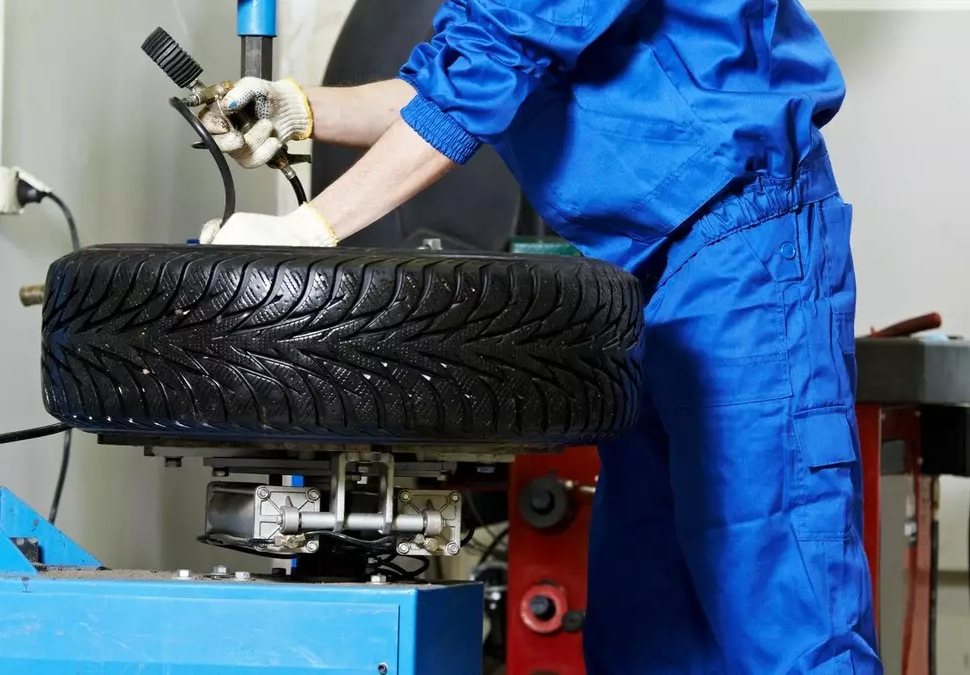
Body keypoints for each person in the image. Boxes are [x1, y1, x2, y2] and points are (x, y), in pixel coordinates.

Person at [199, 2, 880, 673]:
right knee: (648, 630)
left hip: (744, 249)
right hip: (636, 270)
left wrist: (311, 227)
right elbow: (451, 78)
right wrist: (301, 110)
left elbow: (493, 64)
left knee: (783, 608)